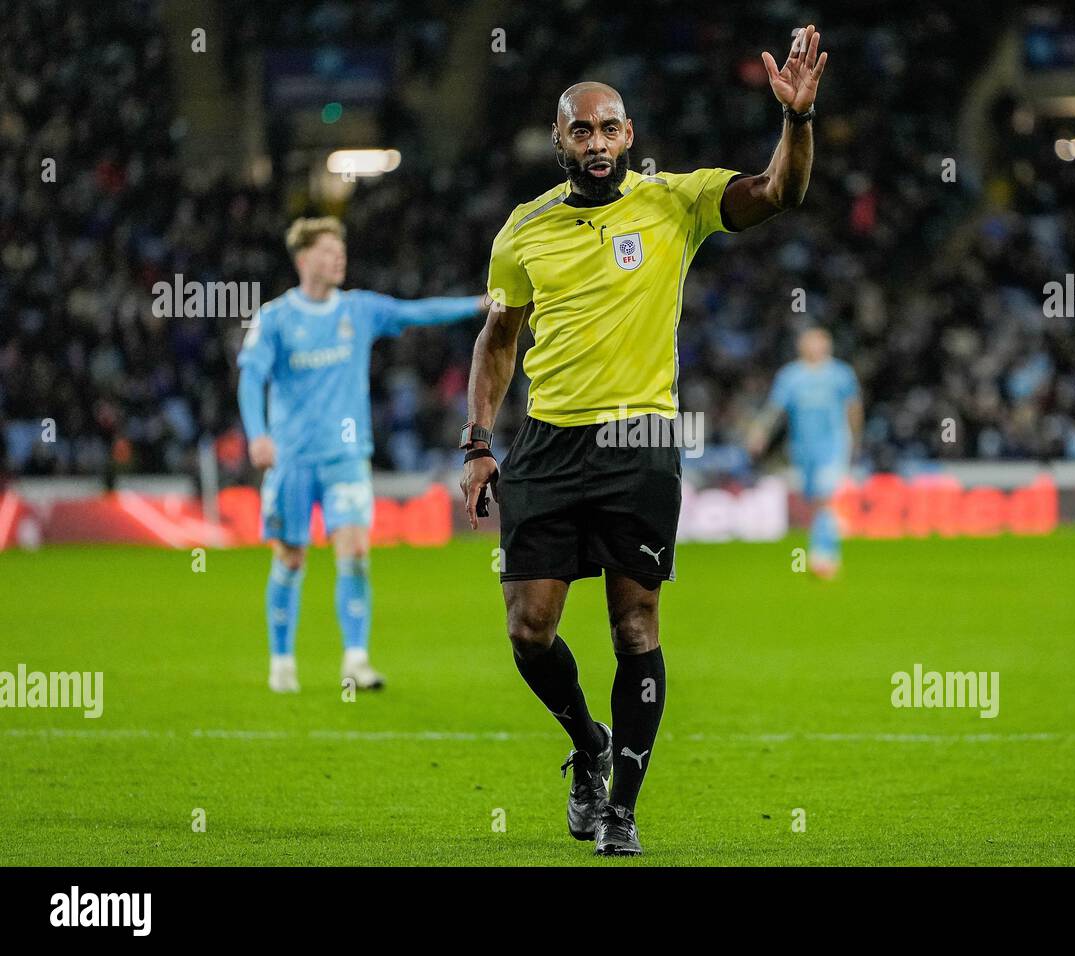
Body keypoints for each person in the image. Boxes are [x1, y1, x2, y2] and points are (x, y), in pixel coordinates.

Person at [460, 24, 828, 855]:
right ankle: (587, 746)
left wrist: (797, 122)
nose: (597, 141)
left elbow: (779, 193)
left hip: (638, 440)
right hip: (549, 442)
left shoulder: (676, 201)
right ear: (559, 139)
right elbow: (497, 339)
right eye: (581, 128)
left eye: (610, 127)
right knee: (530, 630)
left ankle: (622, 808)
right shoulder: (524, 231)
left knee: (636, 629)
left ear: (631, 136)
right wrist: (478, 441)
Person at [238, 216, 484, 693]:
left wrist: (477, 304)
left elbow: (417, 311)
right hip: (290, 459)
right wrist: (257, 434)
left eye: (342, 250)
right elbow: (251, 376)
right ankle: (282, 662)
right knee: (290, 558)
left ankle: (356, 659)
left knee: (354, 551)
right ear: (304, 259)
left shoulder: (360, 310)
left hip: (346, 456)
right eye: (330, 250)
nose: (340, 258)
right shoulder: (274, 318)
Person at [748, 327, 862, 579]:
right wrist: (760, 432)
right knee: (814, 498)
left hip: (833, 444)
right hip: (802, 446)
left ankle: (824, 555)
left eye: (820, 343)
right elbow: (775, 408)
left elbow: (853, 407)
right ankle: (825, 545)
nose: (815, 348)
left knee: (824, 496)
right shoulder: (791, 376)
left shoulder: (840, 374)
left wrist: (855, 438)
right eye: (810, 343)